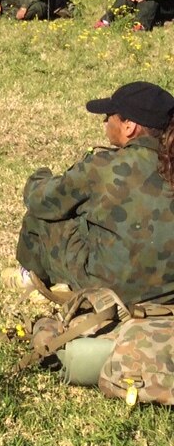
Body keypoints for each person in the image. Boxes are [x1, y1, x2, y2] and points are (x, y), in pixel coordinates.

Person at [12, 81, 174, 307]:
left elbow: (42, 200)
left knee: (42, 218)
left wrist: (38, 177)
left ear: (129, 126)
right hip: (167, 294)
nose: (105, 121)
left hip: (111, 291)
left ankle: (31, 278)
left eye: (109, 115)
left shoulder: (104, 167)